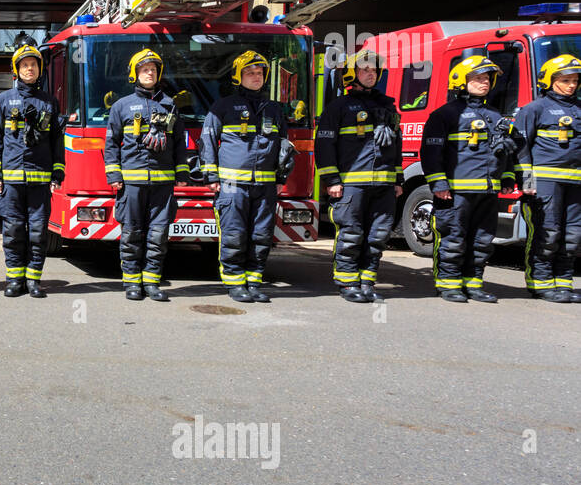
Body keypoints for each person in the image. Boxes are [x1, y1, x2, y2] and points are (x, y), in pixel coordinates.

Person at [420, 55, 522, 303]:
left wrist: (508, 177)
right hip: (456, 192)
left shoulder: (495, 116)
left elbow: (509, 153)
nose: (484, 83)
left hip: (487, 191)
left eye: (487, 78)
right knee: (454, 238)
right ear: (460, 81)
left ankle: (473, 285)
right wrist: (439, 184)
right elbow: (431, 153)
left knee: (482, 241)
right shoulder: (444, 115)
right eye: (477, 78)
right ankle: (448, 285)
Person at [199, 51, 293, 303]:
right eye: (250, 73)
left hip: (265, 186)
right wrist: (211, 176)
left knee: (261, 236)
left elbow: (285, 145)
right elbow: (207, 140)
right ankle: (235, 283)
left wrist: (282, 177)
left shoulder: (273, 109)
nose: (256, 77)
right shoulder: (223, 107)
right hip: (232, 185)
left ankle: (254, 282)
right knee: (234, 234)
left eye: (260, 73)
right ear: (238, 77)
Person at [314, 50, 404, 303]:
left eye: (374, 70)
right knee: (352, 234)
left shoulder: (388, 105)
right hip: (352, 183)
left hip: (384, 184)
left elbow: (396, 144)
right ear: (352, 74)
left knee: (378, 236)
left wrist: (397, 180)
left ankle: (367, 282)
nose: (370, 73)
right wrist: (332, 181)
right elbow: (324, 146)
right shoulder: (338, 107)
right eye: (365, 69)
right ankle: (347, 283)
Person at [103, 48, 188, 301]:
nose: (149, 73)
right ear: (135, 73)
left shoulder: (170, 105)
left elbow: (179, 143)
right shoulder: (121, 106)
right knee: (131, 234)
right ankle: (131, 283)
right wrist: (114, 175)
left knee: (159, 235)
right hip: (132, 183)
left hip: (163, 184)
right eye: (144, 69)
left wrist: (181, 171)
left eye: (153, 69)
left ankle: (152, 283)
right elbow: (110, 145)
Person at [0, 44, 65, 298]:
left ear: (40, 70)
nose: (29, 69)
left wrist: (57, 174)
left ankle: (33, 280)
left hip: (40, 181)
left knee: (39, 232)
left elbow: (57, 143)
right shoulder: (3, 101)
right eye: (24, 65)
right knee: (13, 231)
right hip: (11, 181)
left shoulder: (50, 103)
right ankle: (13, 279)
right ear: (16, 70)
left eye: (33, 65)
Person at [514, 53, 581, 303]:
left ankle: (564, 284)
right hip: (545, 183)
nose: (571, 85)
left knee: (573, 235)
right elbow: (521, 148)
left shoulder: (580, 109)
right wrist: (528, 184)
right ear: (550, 80)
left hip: (576, 183)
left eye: (575, 80)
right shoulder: (534, 109)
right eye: (565, 80)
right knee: (547, 233)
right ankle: (540, 284)